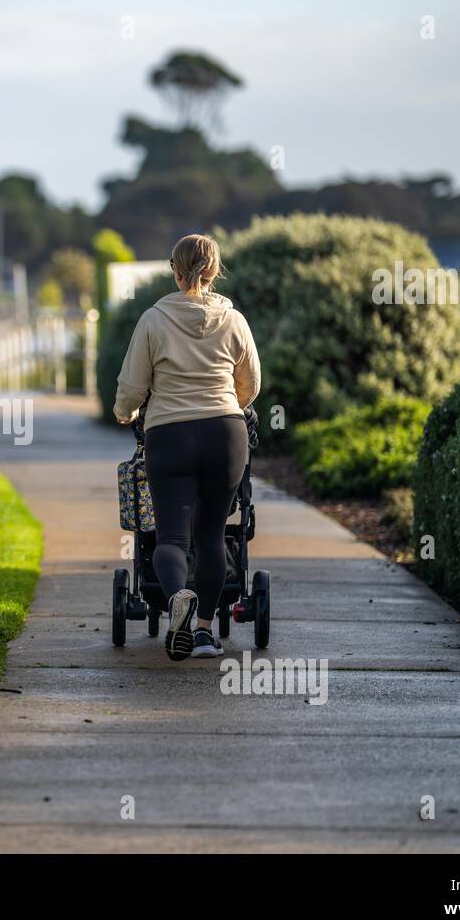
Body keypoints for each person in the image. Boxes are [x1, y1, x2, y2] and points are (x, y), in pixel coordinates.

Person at [113, 234, 261, 662]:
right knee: (212, 534)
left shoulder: (154, 320)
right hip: (225, 433)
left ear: (175, 271)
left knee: (172, 537)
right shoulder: (234, 320)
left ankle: (179, 596)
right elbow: (250, 383)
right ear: (214, 271)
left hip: (170, 434)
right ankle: (202, 633)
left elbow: (132, 386)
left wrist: (126, 413)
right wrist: (231, 402)